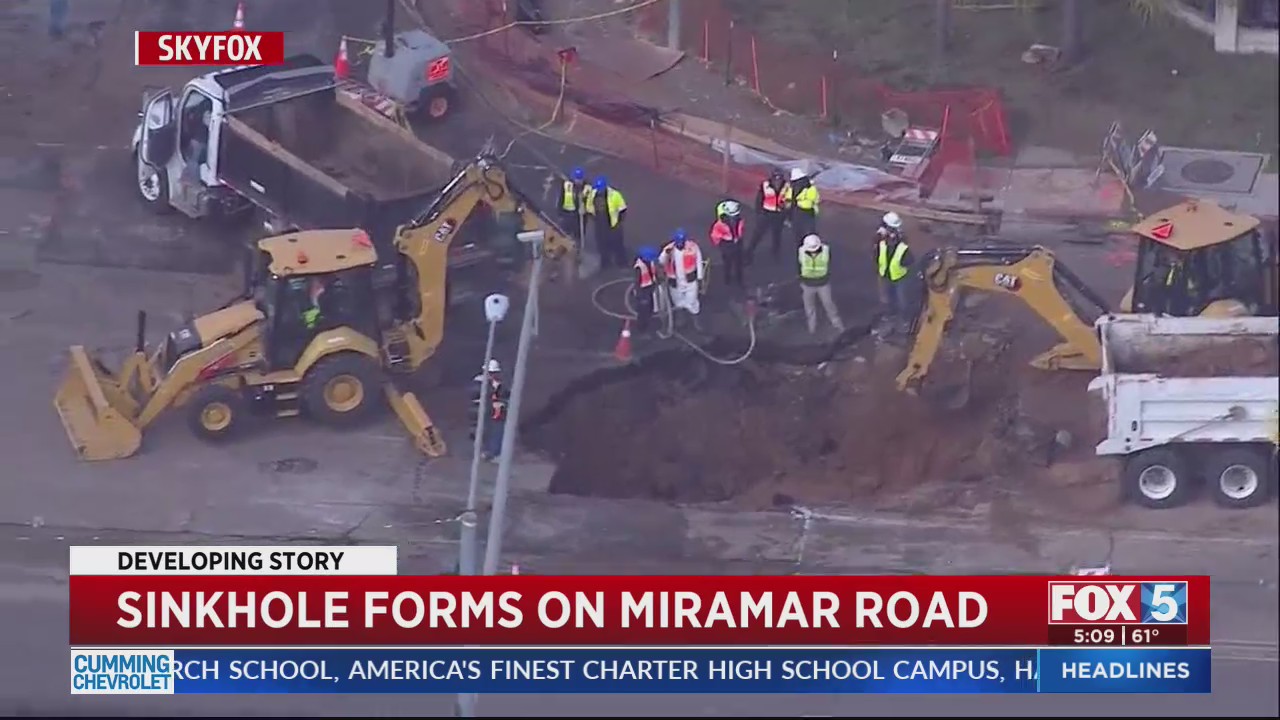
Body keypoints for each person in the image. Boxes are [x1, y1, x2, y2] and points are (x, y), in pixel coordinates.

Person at [875, 212, 915, 331]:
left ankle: (904, 321)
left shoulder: (901, 247)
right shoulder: (881, 243)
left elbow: (909, 260)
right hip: (886, 275)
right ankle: (891, 316)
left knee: (902, 301)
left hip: (898, 278)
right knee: (888, 298)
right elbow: (876, 255)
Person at [798, 234, 845, 335]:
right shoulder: (802, 251)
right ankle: (812, 329)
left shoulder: (824, 251)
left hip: (822, 284)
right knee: (810, 308)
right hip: (808, 284)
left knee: (829, 304)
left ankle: (838, 326)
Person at [660, 228, 705, 327]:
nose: (680, 245)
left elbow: (699, 262)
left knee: (692, 300)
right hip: (675, 281)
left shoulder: (693, 247)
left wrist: (700, 277)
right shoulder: (669, 249)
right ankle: (681, 317)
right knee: (678, 300)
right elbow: (661, 261)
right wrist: (666, 254)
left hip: (690, 279)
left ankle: (695, 319)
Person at [583, 175, 628, 269]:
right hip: (600, 223)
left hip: (613, 224)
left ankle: (621, 262)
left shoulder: (614, 194)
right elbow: (589, 206)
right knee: (602, 244)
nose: (599, 191)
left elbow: (622, 209)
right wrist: (593, 217)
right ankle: (605, 262)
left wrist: (618, 222)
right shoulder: (593, 193)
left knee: (618, 244)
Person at [748, 168, 790, 264]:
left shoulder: (787, 186)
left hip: (779, 214)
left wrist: (786, 213)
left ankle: (776, 254)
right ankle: (749, 252)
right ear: (772, 177)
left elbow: (789, 200)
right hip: (766, 213)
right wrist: (759, 212)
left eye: (779, 178)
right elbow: (759, 199)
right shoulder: (765, 185)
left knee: (777, 236)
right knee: (757, 234)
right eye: (776, 178)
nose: (777, 180)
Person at [472, 360, 510, 463]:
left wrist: (502, 401)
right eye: (491, 372)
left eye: (494, 373)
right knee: (485, 432)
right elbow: (479, 394)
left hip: (496, 412)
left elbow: (505, 395)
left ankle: (492, 453)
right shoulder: (480, 381)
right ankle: (487, 452)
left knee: (496, 432)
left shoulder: (498, 383)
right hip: (483, 411)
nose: (493, 375)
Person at [709, 199, 746, 290]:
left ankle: (739, 279)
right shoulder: (720, 224)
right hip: (727, 245)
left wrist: (739, 238)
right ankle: (727, 279)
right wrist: (721, 243)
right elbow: (715, 235)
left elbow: (741, 229)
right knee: (728, 263)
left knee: (739, 263)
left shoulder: (739, 220)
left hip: (737, 243)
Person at [783, 167, 820, 247]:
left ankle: (802, 250)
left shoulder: (793, 188)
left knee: (799, 234)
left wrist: (788, 216)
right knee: (809, 234)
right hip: (809, 212)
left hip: (798, 212)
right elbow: (816, 199)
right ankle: (811, 247)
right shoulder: (811, 187)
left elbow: (789, 202)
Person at [632, 245, 661, 334]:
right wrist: (640, 296)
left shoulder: (649, 262)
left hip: (650, 287)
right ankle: (642, 328)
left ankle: (650, 321)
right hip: (643, 291)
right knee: (643, 311)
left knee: (650, 307)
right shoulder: (639, 267)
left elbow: (653, 273)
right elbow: (637, 283)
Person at [559, 167, 587, 241]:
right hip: (567, 214)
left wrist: (585, 209)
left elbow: (590, 202)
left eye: (580, 179)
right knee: (564, 235)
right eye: (576, 179)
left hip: (579, 217)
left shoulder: (587, 188)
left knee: (578, 236)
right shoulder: (567, 185)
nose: (578, 181)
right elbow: (561, 198)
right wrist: (560, 212)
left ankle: (578, 249)